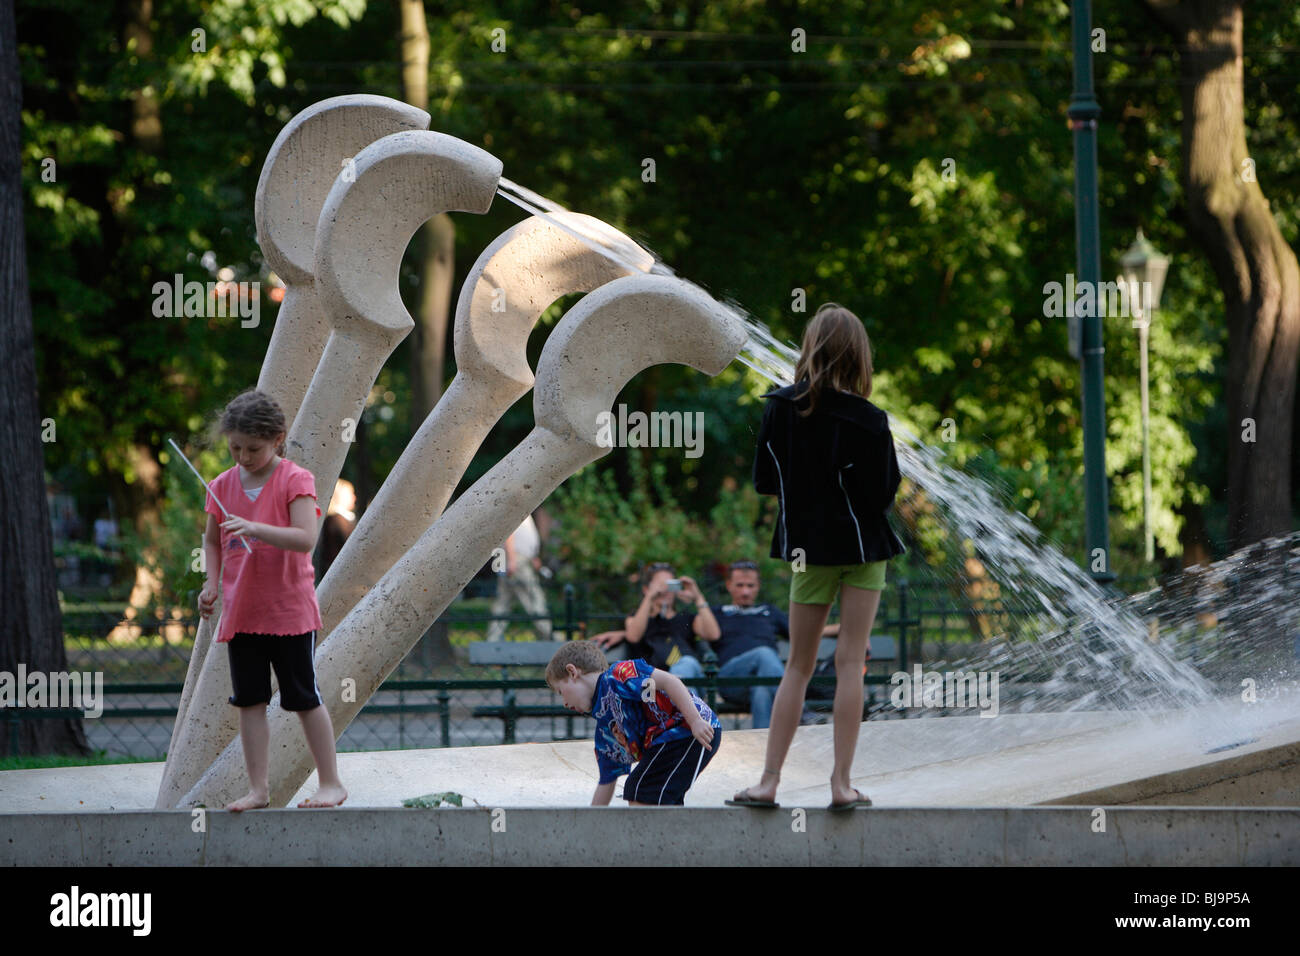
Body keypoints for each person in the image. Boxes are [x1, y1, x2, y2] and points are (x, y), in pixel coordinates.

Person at [729, 303, 904, 811]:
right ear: (859, 357)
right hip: (865, 551)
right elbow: (882, 495)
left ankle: (768, 783)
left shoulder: (781, 408)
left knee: (798, 667)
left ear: (810, 348)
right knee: (852, 663)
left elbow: (766, 480)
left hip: (809, 553)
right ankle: (841, 786)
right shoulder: (871, 420)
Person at [196, 388, 347, 811]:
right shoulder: (221, 486)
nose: (243, 457)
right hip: (242, 611)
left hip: (289, 612)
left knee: (303, 696)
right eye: (236, 448)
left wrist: (256, 528)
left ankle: (331, 783)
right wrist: (211, 584)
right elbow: (212, 543)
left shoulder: (295, 479)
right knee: (249, 701)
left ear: (278, 439)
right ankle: (258, 790)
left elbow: (304, 539)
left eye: (254, 449)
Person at [547, 640, 721, 806]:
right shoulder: (606, 726)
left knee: (641, 789)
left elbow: (669, 682)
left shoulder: (619, 677)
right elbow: (608, 780)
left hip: (688, 730)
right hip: (671, 740)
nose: (565, 703)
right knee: (655, 795)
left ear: (572, 672)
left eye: (561, 692)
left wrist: (695, 720)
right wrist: (591, 823)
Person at [701, 560, 838, 729]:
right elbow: (700, 632)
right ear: (729, 585)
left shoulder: (769, 611)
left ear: (758, 586)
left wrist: (846, 629)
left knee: (762, 691)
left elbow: (802, 633)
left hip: (765, 680)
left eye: (750, 586)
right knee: (763, 654)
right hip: (731, 680)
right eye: (740, 585)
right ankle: (800, 712)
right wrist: (697, 599)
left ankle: (763, 748)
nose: (745, 591)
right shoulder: (717, 613)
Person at [596, 562, 719, 679]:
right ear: (646, 589)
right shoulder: (638, 618)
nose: (665, 590)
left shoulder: (687, 618)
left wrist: (698, 598)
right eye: (660, 585)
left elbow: (713, 634)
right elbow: (633, 636)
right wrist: (650, 596)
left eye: (669, 584)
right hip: (654, 684)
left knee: (687, 663)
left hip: (687, 681)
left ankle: (675, 693)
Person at [486, 513, 552, 641]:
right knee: (533, 600)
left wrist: (532, 557)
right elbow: (508, 532)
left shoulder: (521, 507)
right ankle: (549, 636)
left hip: (518, 559)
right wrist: (512, 559)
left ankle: (491, 641)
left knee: (503, 603)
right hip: (516, 561)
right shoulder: (514, 506)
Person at [314, 478, 356, 582]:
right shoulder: (337, 521)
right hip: (342, 577)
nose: (354, 497)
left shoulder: (333, 520)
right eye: (351, 493)